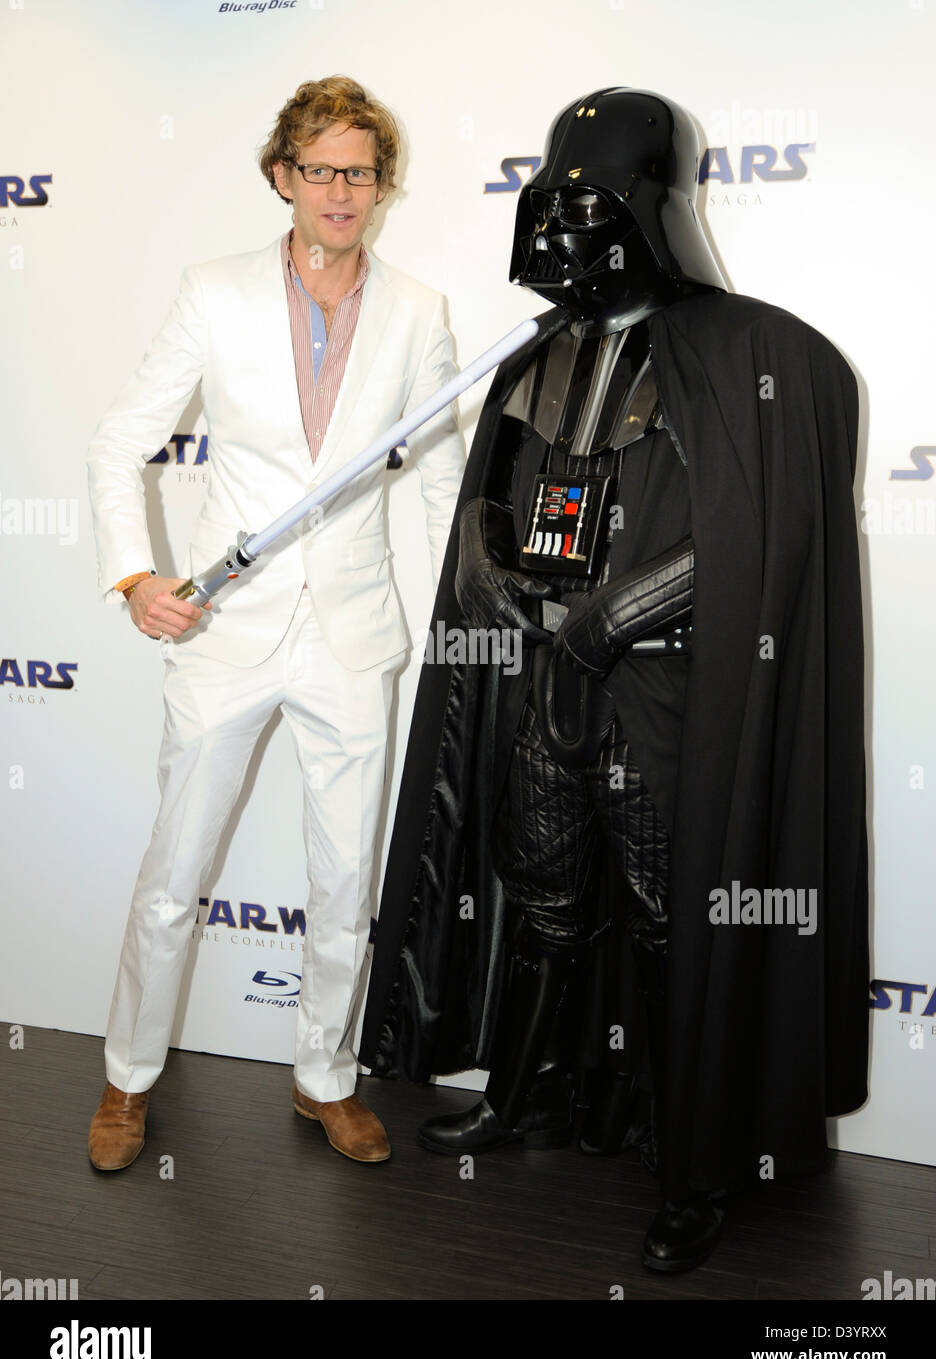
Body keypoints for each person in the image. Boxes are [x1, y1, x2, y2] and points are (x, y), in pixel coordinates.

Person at [360, 87, 869, 1272]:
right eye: (553, 208)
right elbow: (492, 494)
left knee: (667, 915)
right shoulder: (536, 354)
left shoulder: (764, 354)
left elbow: (761, 538)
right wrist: (491, 571)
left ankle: (691, 1162)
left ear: (653, 209)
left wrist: (610, 621)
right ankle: (531, 1091)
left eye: (592, 209)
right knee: (542, 897)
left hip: (665, 696)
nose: (565, 238)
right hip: (544, 678)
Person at [86, 75, 465, 1171]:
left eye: (360, 170)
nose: (340, 190)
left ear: (381, 186)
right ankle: (127, 1078)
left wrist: (454, 623)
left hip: (354, 637)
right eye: (320, 168)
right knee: (173, 872)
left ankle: (324, 1079)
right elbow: (120, 446)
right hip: (224, 630)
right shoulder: (214, 292)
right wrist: (133, 577)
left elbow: (438, 478)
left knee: (346, 882)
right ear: (282, 177)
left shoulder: (421, 314)